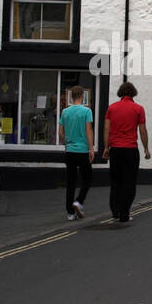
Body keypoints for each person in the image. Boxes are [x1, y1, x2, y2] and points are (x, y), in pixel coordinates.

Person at [102, 81, 149, 224]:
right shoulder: (138, 109)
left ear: (121, 93)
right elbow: (142, 130)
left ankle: (115, 211)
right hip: (130, 150)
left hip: (115, 150)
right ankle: (124, 213)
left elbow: (106, 130)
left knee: (115, 181)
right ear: (133, 93)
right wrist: (146, 148)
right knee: (129, 182)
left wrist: (106, 148)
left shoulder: (111, 108)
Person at [58, 86, 94, 221]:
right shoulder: (87, 111)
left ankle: (70, 213)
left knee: (71, 181)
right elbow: (88, 130)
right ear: (82, 96)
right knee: (87, 179)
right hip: (83, 150)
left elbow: (60, 132)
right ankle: (78, 201)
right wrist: (91, 149)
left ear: (71, 97)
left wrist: (66, 143)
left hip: (70, 151)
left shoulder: (65, 112)